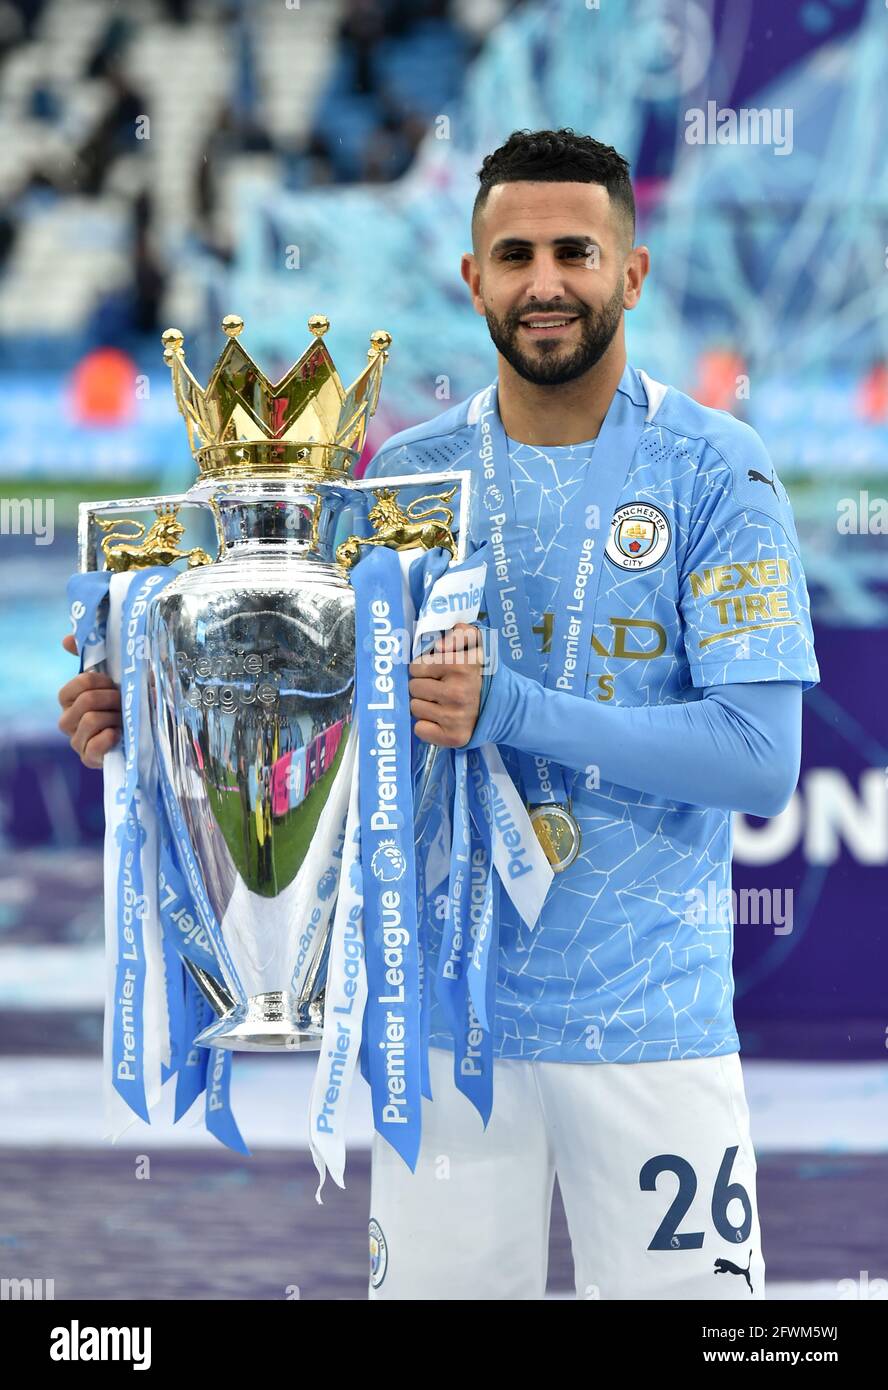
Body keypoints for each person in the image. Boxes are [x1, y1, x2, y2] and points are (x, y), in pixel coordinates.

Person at [59, 129, 819, 1300]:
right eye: (515, 255)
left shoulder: (716, 472)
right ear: (473, 279)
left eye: (577, 251)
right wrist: (156, 718)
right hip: (442, 1025)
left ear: (634, 271)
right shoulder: (399, 488)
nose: (546, 282)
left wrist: (511, 706)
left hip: (649, 1023)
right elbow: (307, 723)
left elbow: (761, 760)